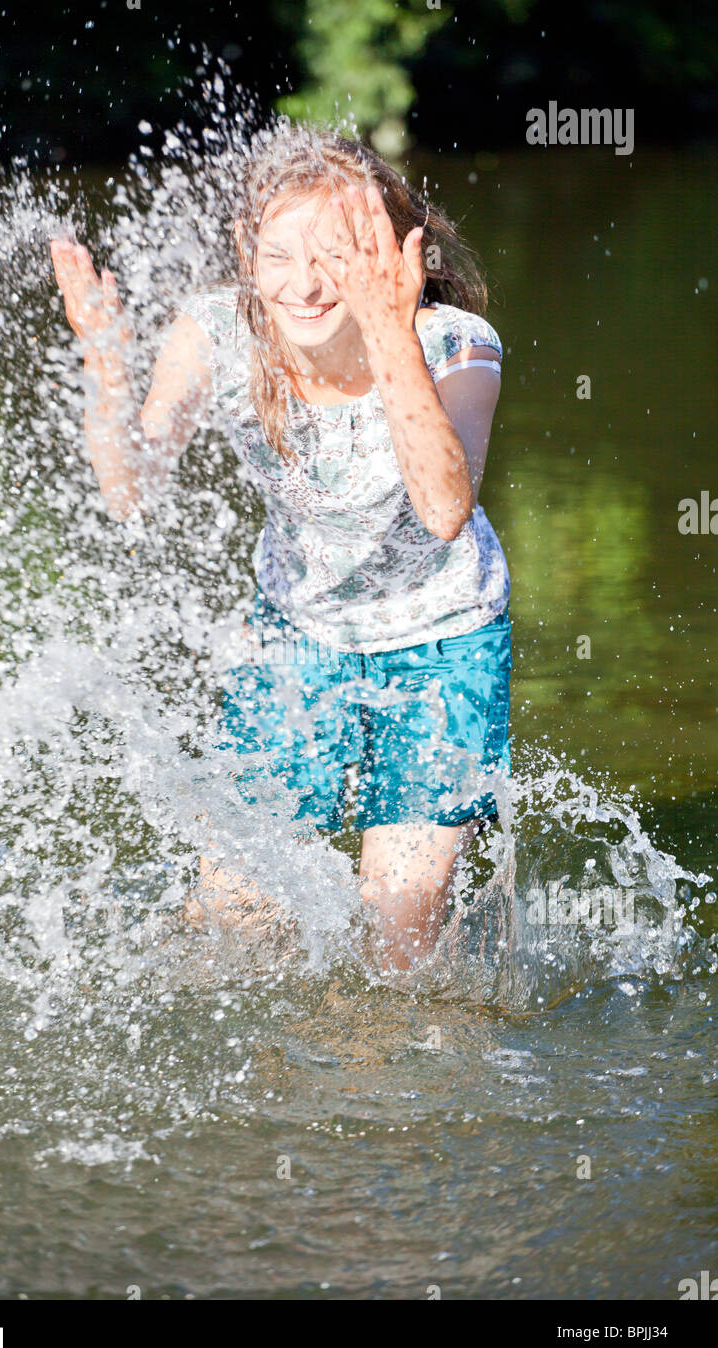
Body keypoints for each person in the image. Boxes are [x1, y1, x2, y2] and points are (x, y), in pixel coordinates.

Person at [50, 123, 511, 973]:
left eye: (335, 256)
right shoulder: (218, 331)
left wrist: (388, 329)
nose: (303, 286)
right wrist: (104, 358)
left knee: (400, 944)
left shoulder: (456, 347)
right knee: (234, 924)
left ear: (383, 254)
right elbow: (129, 491)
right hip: (295, 640)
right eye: (278, 256)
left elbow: (446, 508)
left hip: (442, 643)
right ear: (245, 251)